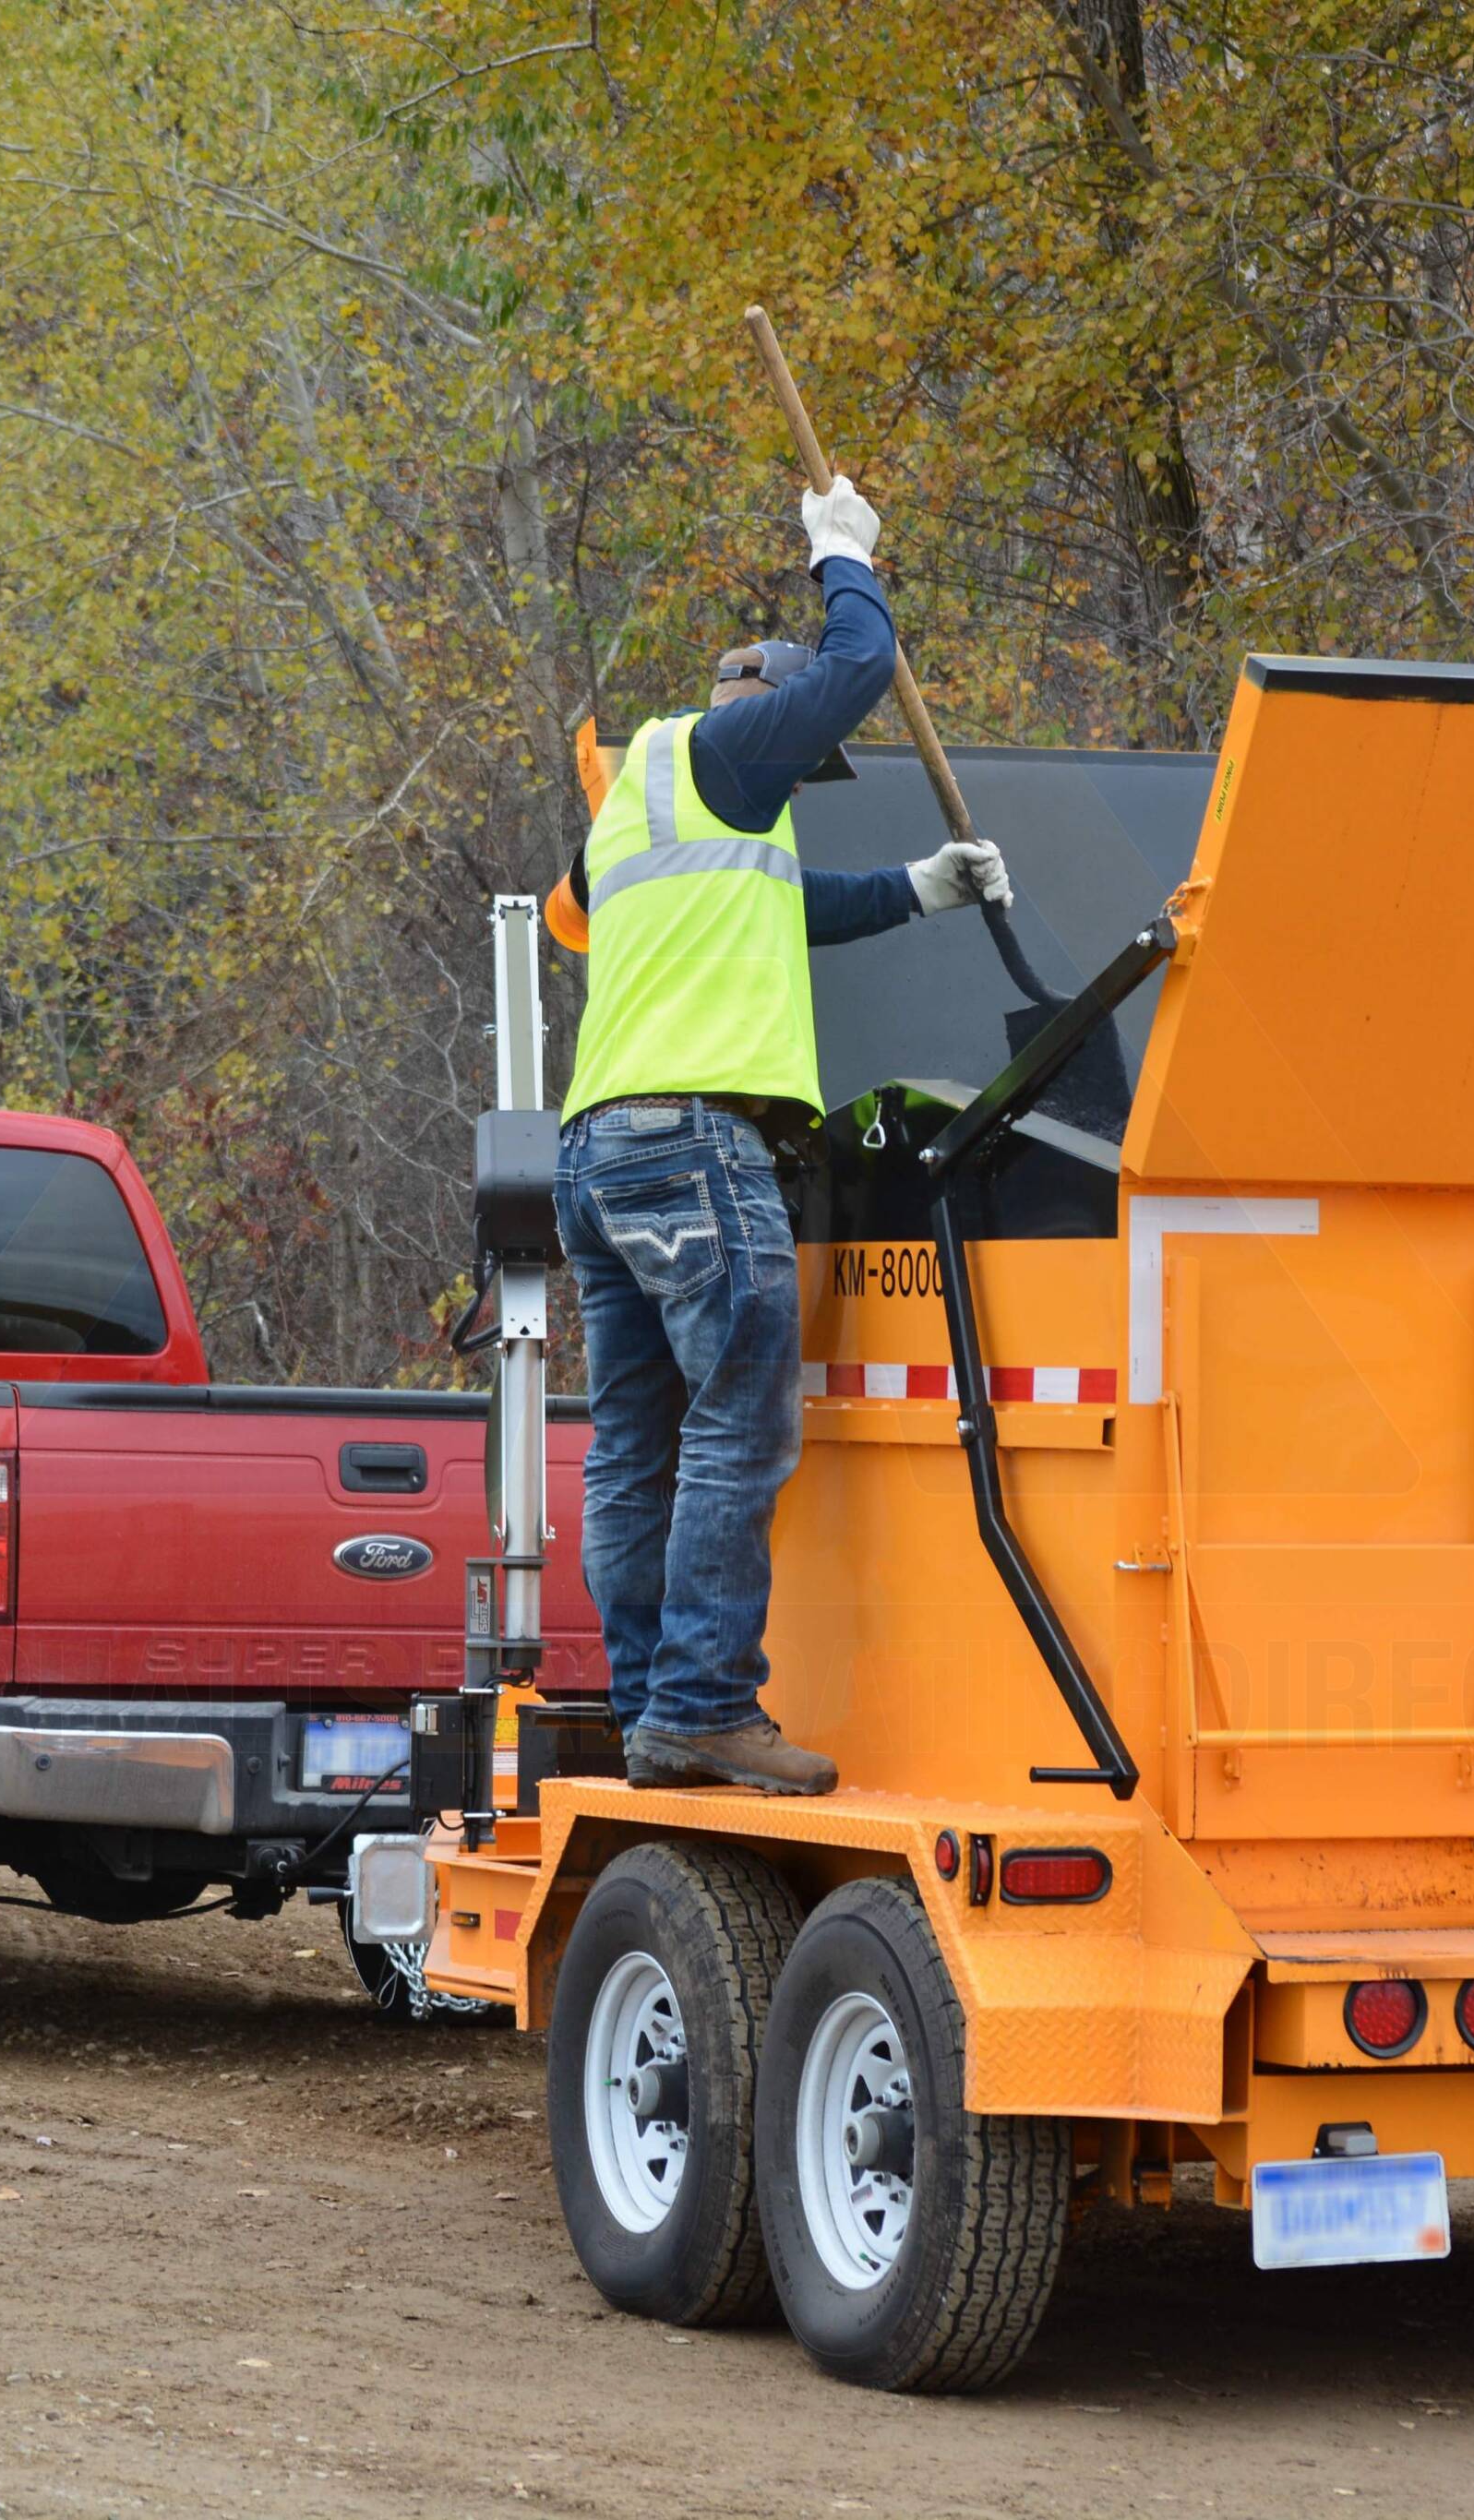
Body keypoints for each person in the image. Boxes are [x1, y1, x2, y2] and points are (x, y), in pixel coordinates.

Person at [552, 472, 1010, 1796]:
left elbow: (779, 908)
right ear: (767, 722)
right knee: (739, 1430)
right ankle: (704, 1704)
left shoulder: (645, 804)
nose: (806, 780)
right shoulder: (729, 749)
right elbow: (863, 661)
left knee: (641, 1442)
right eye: (803, 757)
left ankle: (653, 1707)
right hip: (694, 1150)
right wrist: (840, 551)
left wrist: (922, 893)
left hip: (602, 1154)